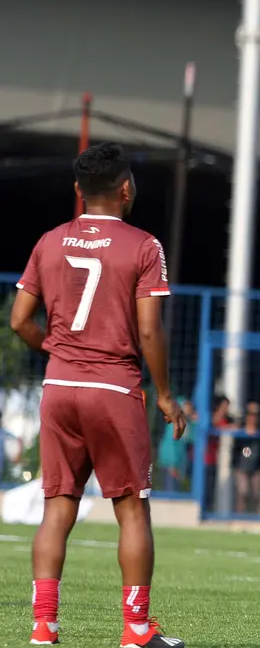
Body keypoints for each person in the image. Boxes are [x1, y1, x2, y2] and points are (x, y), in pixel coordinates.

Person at [10, 143, 186, 647]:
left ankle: (43, 625)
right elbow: (150, 332)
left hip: (60, 387)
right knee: (132, 510)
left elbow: (19, 320)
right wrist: (167, 395)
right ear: (126, 189)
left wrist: (61, 353)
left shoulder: (49, 241)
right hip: (114, 387)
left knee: (58, 506)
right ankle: (135, 630)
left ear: (77, 191)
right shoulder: (144, 246)